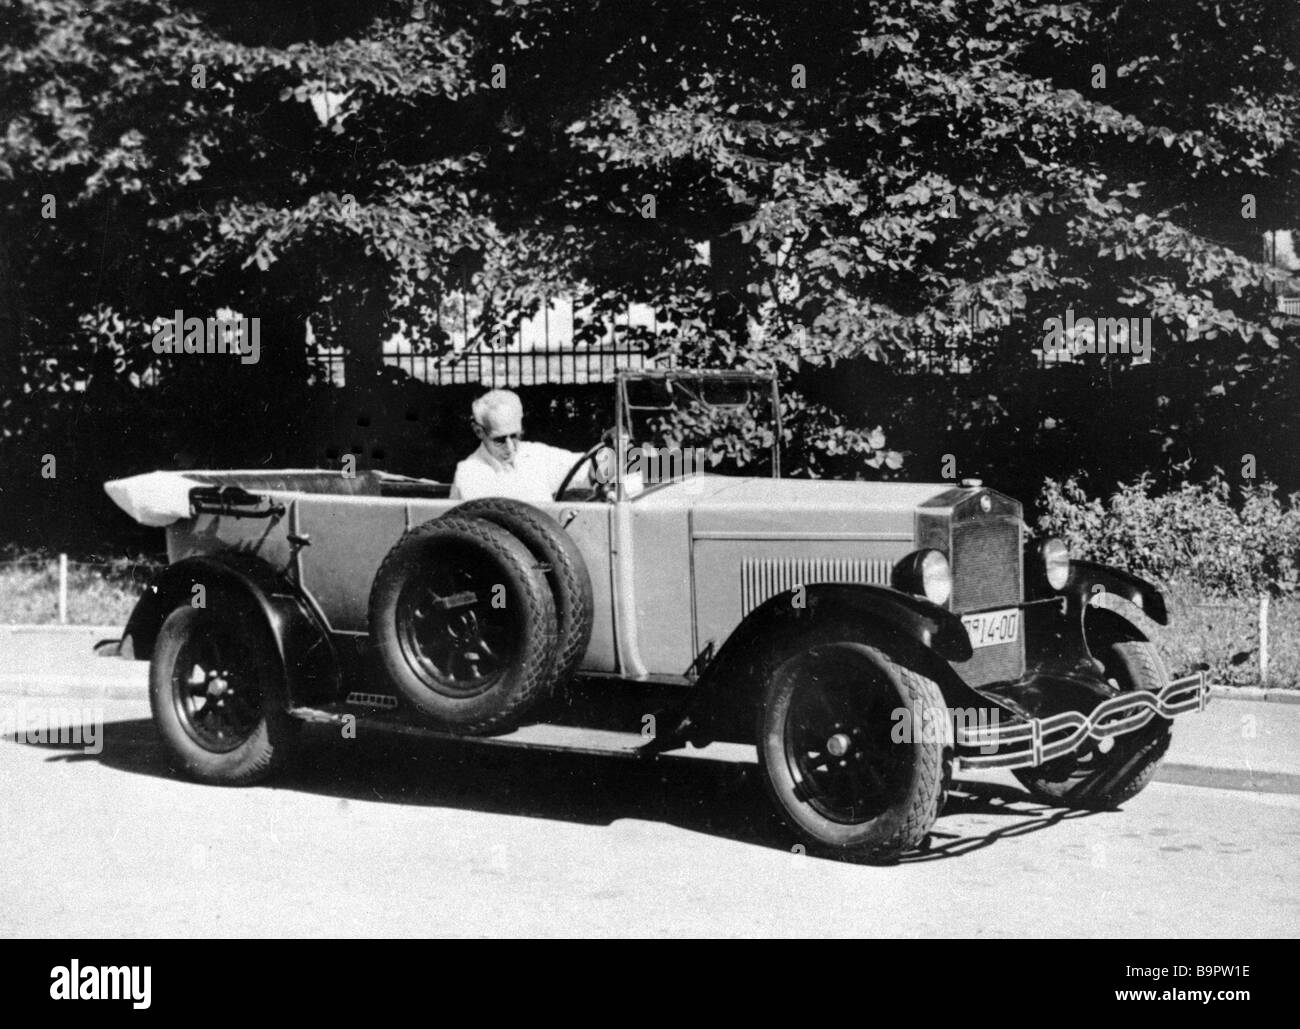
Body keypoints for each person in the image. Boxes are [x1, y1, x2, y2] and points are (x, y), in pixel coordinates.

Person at [450, 388, 604, 503]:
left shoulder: (536, 455)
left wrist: (613, 448)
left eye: (515, 436)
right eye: (500, 440)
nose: (510, 447)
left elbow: (590, 467)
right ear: (479, 432)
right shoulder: (469, 474)